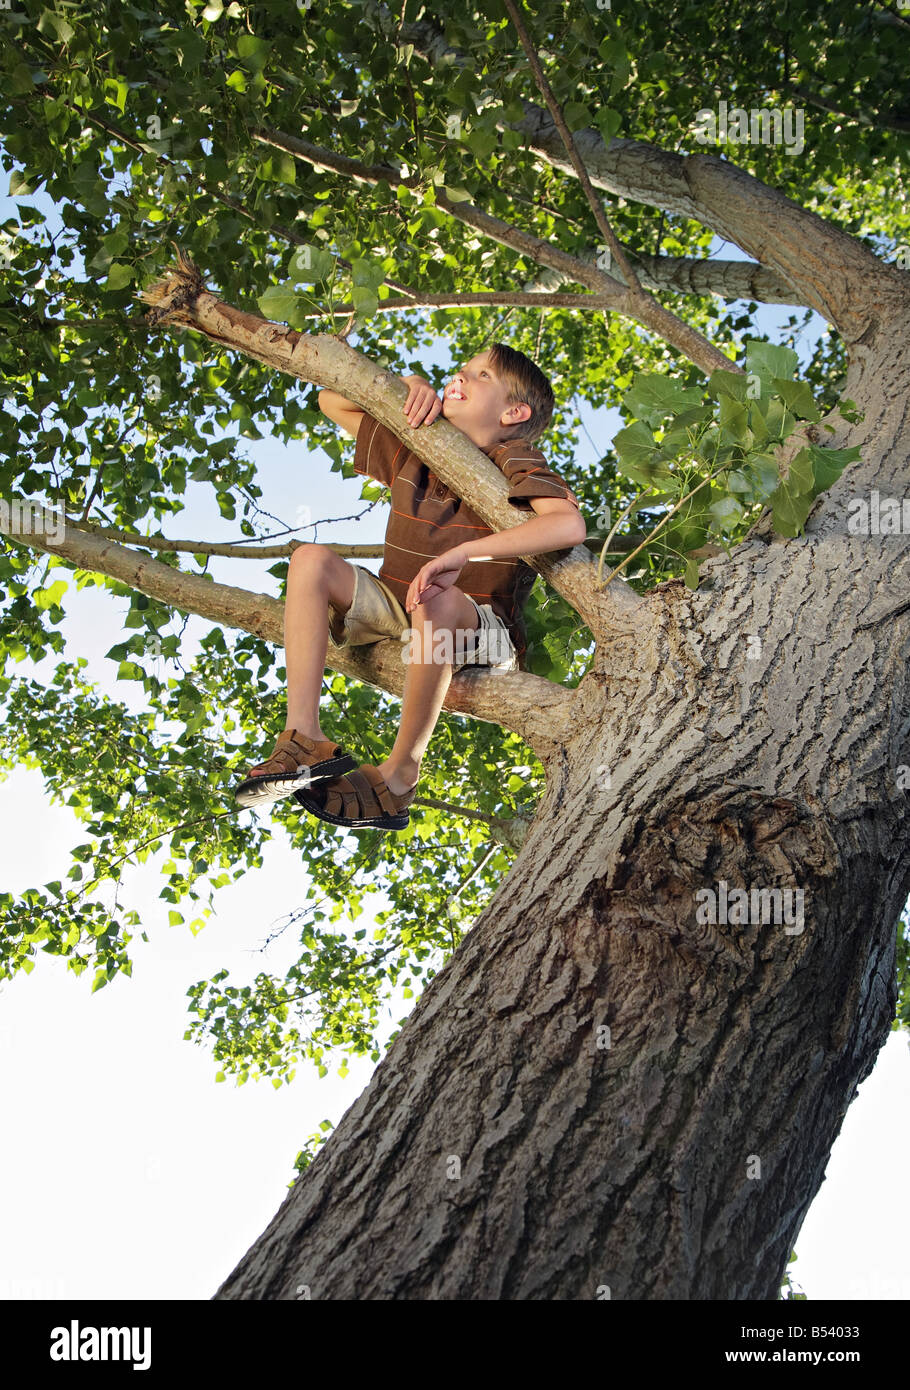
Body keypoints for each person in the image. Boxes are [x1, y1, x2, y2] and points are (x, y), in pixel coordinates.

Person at [233, 342, 586, 831]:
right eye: (460, 371)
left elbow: (568, 526)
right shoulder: (417, 447)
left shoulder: (515, 457)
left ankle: (400, 775)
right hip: (402, 606)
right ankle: (303, 737)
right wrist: (406, 390)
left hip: (477, 624)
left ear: (514, 412)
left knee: (438, 595)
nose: (458, 378)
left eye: (480, 375)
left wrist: (464, 554)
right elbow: (330, 401)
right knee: (310, 560)